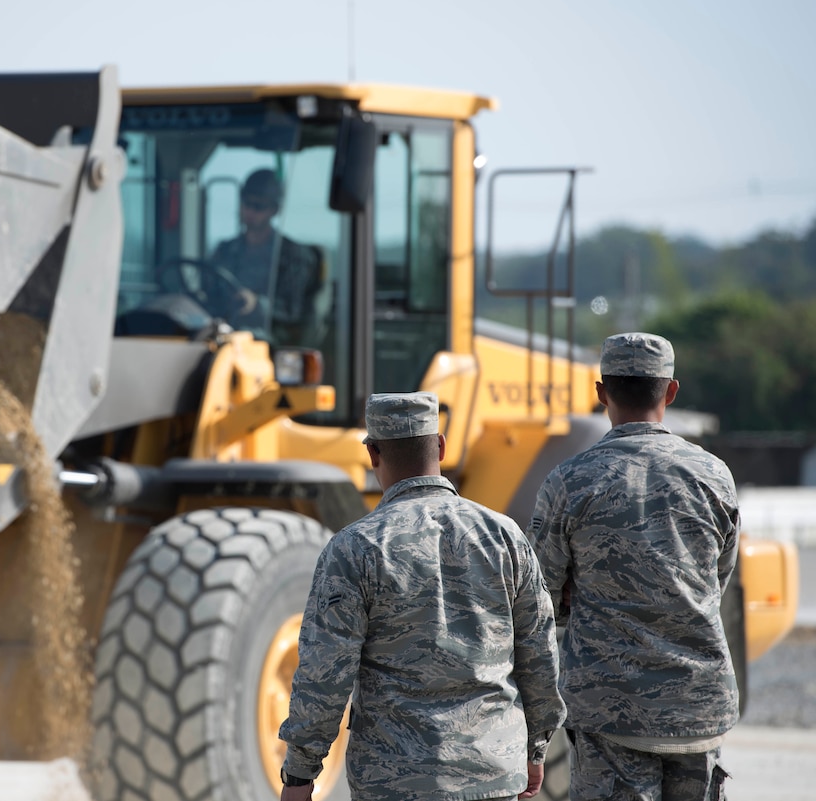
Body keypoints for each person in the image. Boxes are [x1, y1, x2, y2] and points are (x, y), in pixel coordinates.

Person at [279, 391, 566, 801]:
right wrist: (535, 749)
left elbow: (324, 675)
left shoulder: (354, 548)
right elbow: (540, 654)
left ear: (372, 453)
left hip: (394, 782)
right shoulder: (504, 537)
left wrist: (300, 774)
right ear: (442, 447)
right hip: (493, 776)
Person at [526, 332, 740, 801]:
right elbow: (713, 582)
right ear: (671, 391)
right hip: (696, 708)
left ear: (601, 392)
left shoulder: (569, 482)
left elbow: (540, 599)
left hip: (610, 712)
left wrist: (580, 595)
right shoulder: (714, 476)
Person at [208, 168, 324, 344]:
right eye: (246, 203)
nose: (250, 211)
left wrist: (256, 304)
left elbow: (292, 309)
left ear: (274, 210)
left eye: (259, 206)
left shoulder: (294, 255)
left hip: (272, 342)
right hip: (222, 336)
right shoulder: (225, 250)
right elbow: (207, 293)